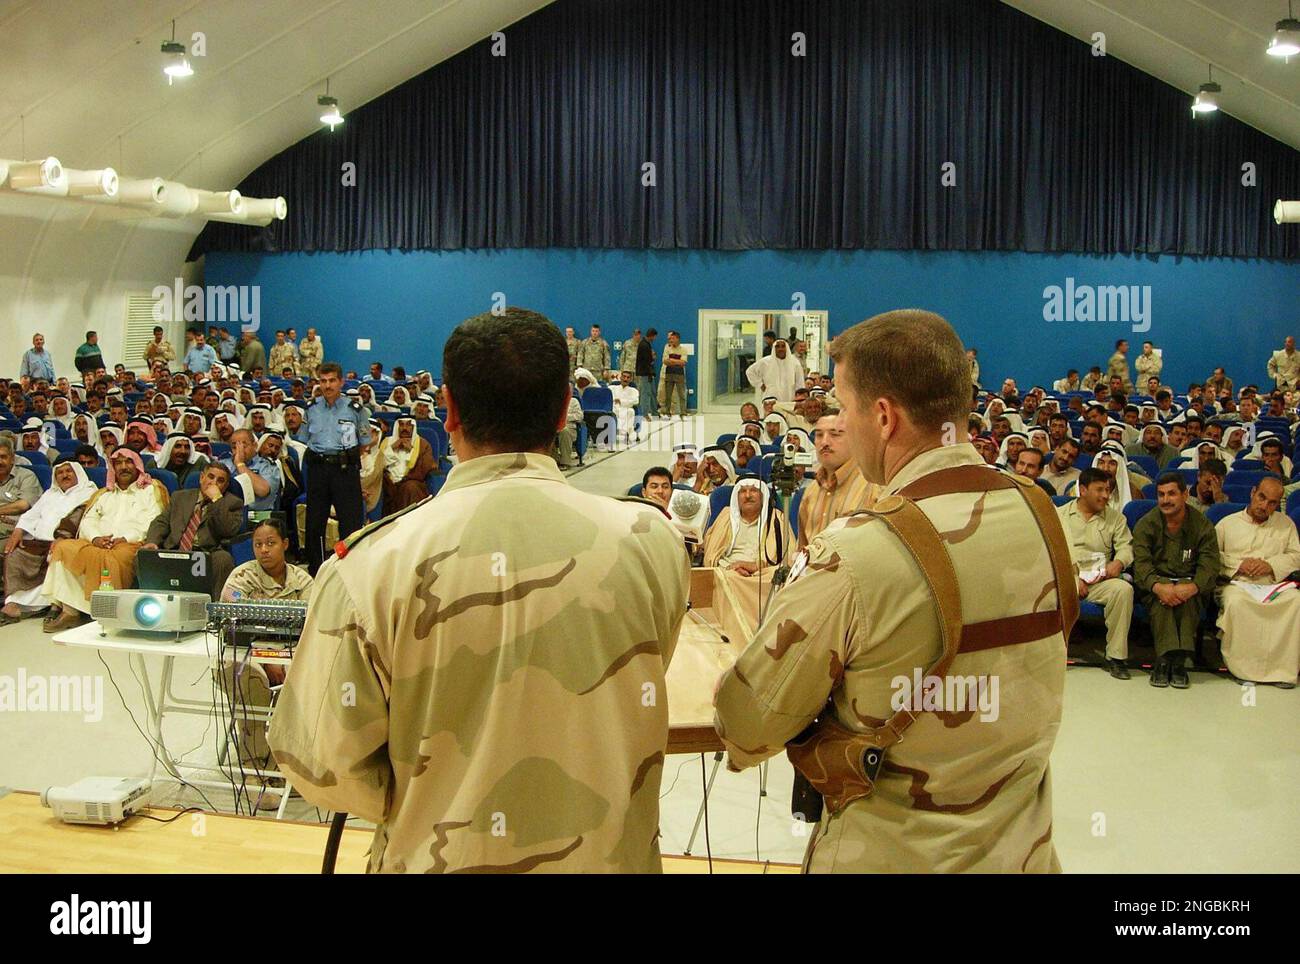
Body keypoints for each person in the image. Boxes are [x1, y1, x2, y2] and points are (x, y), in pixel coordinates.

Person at [269, 306, 689, 873]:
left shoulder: (369, 566)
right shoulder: (651, 541)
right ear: (566, 409)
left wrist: (432, 789)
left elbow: (321, 764)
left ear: (449, 411)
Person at [713, 309, 1074, 873]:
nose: (840, 425)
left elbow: (748, 726)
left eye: (844, 407)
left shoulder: (857, 555)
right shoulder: (1041, 514)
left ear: (883, 417)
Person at [40, 448, 169, 631]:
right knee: (64, 548)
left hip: (131, 543)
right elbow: (88, 519)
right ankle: (71, 612)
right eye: (118, 463)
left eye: (128, 462)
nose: (124, 467)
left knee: (111, 558)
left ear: (137, 465)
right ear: (112, 467)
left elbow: (155, 520)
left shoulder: (151, 490)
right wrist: (95, 538)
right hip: (98, 543)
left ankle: (107, 613)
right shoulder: (104, 494)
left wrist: (125, 538)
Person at [1132, 473, 1220, 688]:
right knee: (1163, 602)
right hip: (1155, 583)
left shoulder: (1202, 525)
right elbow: (1141, 565)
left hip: (1189, 582)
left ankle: (1173, 662)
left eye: (1172, 493)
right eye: (1161, 494)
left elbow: (1210, 565)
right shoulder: (1147, 524)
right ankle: (1168, 660)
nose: (1165, 500)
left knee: (1186, 601)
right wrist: (1158, 586)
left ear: (1185, 494)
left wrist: (1193, 587)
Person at [1214, 477, 1300, 686]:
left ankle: (1281, 671)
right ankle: (1243, 670)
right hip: (1236, 583)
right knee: (1237, 603)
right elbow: (1212, 556)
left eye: (1272, 502)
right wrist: (1239, 565)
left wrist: (1271, 565)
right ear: (1253, 493)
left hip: (1272, 584)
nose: (1264, 506)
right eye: (1262, 497)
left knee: (1295, 601)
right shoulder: (1227, 523)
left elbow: (1296, 555)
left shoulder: (1285, 524)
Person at [1057, 468, 1135, 679]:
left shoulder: (1115, 518)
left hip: (1100, 579)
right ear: (1082, 490)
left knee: (1123, 590)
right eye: (1099, 490)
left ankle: (1116, 658)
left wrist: (1119, 562)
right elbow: (1051, 553)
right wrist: (1073, 580)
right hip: (1064, 579)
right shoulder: (1059, 515)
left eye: (1107, 490)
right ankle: (1050, 655)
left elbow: (1126, 547)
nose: (1105, 495)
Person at [1, 461, 98, 625]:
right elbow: (31, 515)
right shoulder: (50, 494)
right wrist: (18, 530)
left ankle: (49, 604)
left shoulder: (89, 493)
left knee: (55, 559)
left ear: (78, 474)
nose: (65, 475)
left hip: (68, 541)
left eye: (69, 471)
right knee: (14, 555)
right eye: (60, 473)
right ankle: (13, 603)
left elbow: (81, 519)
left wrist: (62, 537)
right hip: (38, 542)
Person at [302, 362, 370, 574]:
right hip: (318, 469)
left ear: (341, 382)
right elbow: (304, 438)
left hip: (344, 470)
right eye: (323, 381)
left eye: (332, 380)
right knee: (315, 523)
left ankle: (350, 569)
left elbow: (365, 440)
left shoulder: (356, 410)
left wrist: (346, 457)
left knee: (350, 523)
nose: (327, 385)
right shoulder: (311, 409)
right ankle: (317, 570)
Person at [141, 462, 242, 597]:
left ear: (226, 486)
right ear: (201, 478)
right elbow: (161, 522)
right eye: (210, 477)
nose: (214, 483)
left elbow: (227, 530)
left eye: (220, 481)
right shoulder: (180, 497)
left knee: (224, 559)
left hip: (205, 554)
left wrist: (217, 500)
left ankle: (217, 608)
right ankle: (150, 602)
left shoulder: (232, 503)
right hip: (174, 550)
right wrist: (152, 541)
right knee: (143, 554)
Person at [797, 412, 880, 549]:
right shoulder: (810, 492)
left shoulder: (873, 487)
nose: (824, 442)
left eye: (835, 434)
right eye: (819, 435)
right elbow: (802, 550)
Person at [701, 477, 784, 572]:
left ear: (763, 495)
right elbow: (711, 553)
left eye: (753, 490)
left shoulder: (777, 518)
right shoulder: (726, 516)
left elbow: (787, 556)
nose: (748, 496)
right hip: (727, 570)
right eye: (743, 491)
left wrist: (754, 566)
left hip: (762, 572)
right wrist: (732, 568)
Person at [380, 417, 437, 513]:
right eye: (401, 424)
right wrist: (392, 448)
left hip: (410, 482)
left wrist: (412, 450)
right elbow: (378, 463)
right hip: (388, 483)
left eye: (408, 425)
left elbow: (427, 466)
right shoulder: (387, 442)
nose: (404, 428)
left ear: (413, 427)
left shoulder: (422, 444)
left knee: (410, 488)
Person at [0, 437, 43, 548]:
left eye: (3, 457)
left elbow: (23, 505)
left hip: (12, 529)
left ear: (13, 459)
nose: (0, 462)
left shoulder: (26, 476)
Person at [745, 338, 804, 406]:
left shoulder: (794, 362)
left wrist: (799, 398)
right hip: (770, 400)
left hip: (789, 399)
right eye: (777, 346)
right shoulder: (765, 362)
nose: (780, 349)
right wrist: (760, 384)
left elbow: (800, 382)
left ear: (787, 348)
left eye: (783, 346)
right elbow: (750, 372)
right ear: (774, 348)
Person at [661, 330, 689, 417]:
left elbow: (683, 362)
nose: (671, 340)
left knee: (681, 394)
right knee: (668, 395)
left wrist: (672, 360)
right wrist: (677, 361)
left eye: (673, 338)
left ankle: (683, 412)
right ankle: (667, 412)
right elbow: (665, 361)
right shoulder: (667, 348)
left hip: (679, 374)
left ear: (678, 339)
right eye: (670, 339)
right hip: (669, 374)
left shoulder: (683, 349)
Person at [610, 370, 639, 445]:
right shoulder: (612, 388)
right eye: (624, 377)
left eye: (628, 377)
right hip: (614, 408)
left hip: (626, 409)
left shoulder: (633, 391)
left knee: (631, 411)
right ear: (620, 377)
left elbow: (635, 401)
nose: (625, 379)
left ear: (630, 379)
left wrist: (621, 401)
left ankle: (627, 434)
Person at [635, 327, 658, 418]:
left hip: (649, 373)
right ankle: (644, 413)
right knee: (645, 393)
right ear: (652, 336)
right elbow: (646, 360)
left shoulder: (646, 344)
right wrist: (652, 358)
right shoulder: (644, 345)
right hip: (645, 373)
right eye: (654, 337)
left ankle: (654, 412)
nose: (655, 339)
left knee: (652, 392)